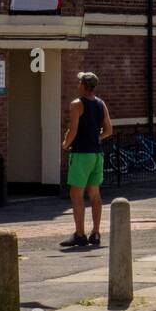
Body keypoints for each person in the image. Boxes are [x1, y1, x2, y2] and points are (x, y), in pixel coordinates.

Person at [60, 71, 112, 248]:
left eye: (79, 82)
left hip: (81, 154)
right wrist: (97, 137)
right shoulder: (100, 103)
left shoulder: (77, 104)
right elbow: (109, 130)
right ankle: (96, 233)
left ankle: (80, 234)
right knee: (95, 195)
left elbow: (73, 130)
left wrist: (65, 144)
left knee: (77, 195)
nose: (78, 84)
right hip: (97, 154)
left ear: (82, 85)